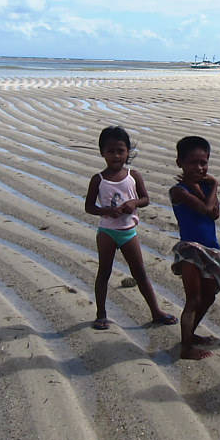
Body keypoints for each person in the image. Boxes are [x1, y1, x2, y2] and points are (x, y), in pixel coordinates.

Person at [84, 126, 177, 330]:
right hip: (106, 233)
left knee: (140, 273)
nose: (116, 155)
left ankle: (155, 311)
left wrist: (133, 203)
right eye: (111, 151)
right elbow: (89, 207)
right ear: (102, 152)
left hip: (128, 233)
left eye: (121, 150)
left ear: (128, 152)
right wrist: (105, 211)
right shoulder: (98, 179)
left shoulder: (133, 175)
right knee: (104, 273)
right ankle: (101, 314)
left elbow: (145, 199)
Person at [170, 136, 220, 360]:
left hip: (210, 249)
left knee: (208, 297)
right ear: (180, 163)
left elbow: (215, 213)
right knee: (193, 299)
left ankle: (189, 335)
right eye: (193, 163)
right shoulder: (178, 190)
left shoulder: (203, 186)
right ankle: (186, 348)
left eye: (204, 163)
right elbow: (204, 208)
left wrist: (207, 186)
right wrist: (213, 186)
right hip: (190, 249)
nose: (200, 167)